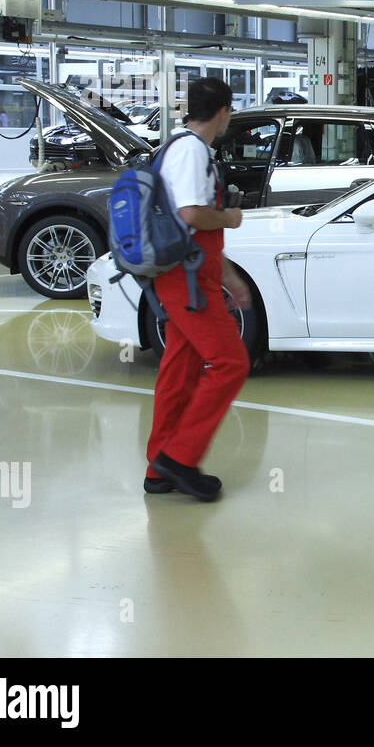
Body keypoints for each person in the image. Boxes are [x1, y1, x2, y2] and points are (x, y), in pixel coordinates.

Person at [144, 78, 252, 501]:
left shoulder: (183, 148)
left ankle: (159, 467)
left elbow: (187, 228)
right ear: (224, 111)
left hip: (191, 275)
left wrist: (230, 279)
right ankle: (181, 458)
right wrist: (230, 218)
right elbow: (191, 215)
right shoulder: (190, 151)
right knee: (230, 363)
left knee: (179, 370)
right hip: (186, 283)